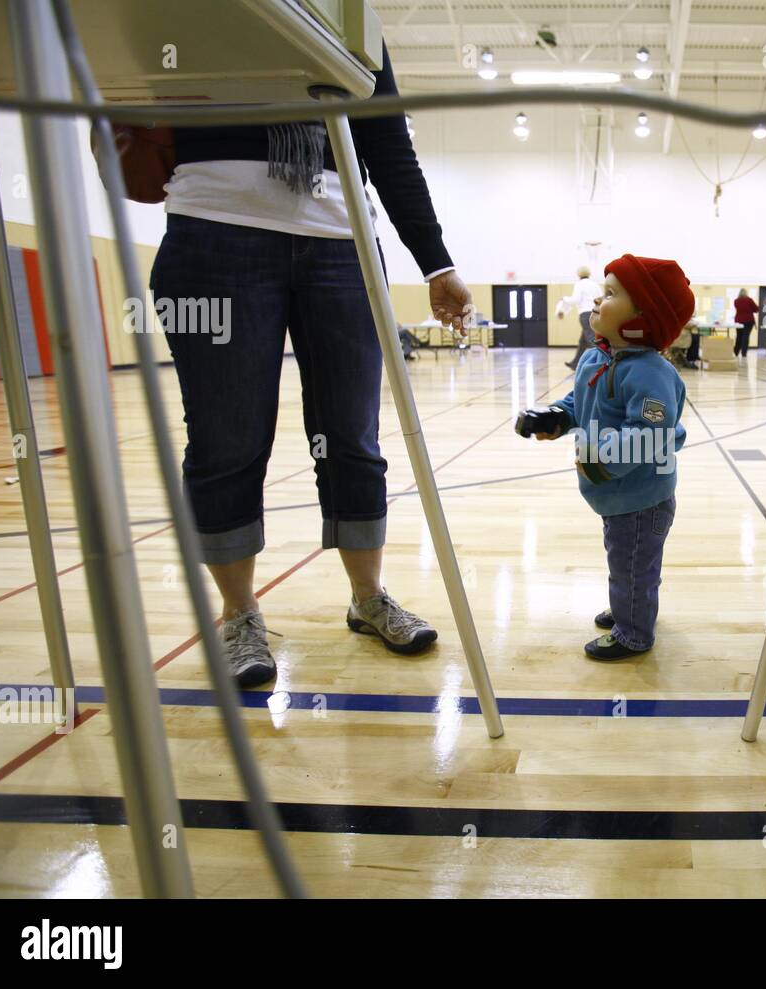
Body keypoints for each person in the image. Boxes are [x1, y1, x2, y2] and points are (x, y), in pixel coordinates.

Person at [152, 42, 471, 686]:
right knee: (226, 437)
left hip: (340, 239)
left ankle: (368, 597)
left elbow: (386, 140)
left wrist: (434, 260)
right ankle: (239, 614)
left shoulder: (350, 18)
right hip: (214, 227)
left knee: (351, 433)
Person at [518, 255, 692, 660]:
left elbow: (649, 433)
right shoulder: (597, 358)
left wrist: (599, 461)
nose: (598, 300)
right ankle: (628, 606)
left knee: (632, 562)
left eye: (611, 294)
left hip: (641, 497)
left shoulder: (650, 375)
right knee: (626, 559)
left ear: (642, 317)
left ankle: (634, 632)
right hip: (618, 494)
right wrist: (558, 417)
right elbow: (580, 401)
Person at [557, 265, 602, 369]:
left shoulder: (579, 284)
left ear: (578, 274)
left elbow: (575, 300)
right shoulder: (595, 285)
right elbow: (601, 298)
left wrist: (564, 298)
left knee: (591, 339)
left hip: (585, 315)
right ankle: (575, 364)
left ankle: (600, 363)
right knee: (583, 341)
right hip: (596, 313)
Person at [733, 289, 759, 357]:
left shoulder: (736, 301)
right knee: (746, 336)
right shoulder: (749, 300)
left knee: (739, 336)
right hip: (748, 320)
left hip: (738, 320)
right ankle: (744, 353)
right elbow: (756, 309)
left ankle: (736, 352)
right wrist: (751, 309)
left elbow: (738, 308)